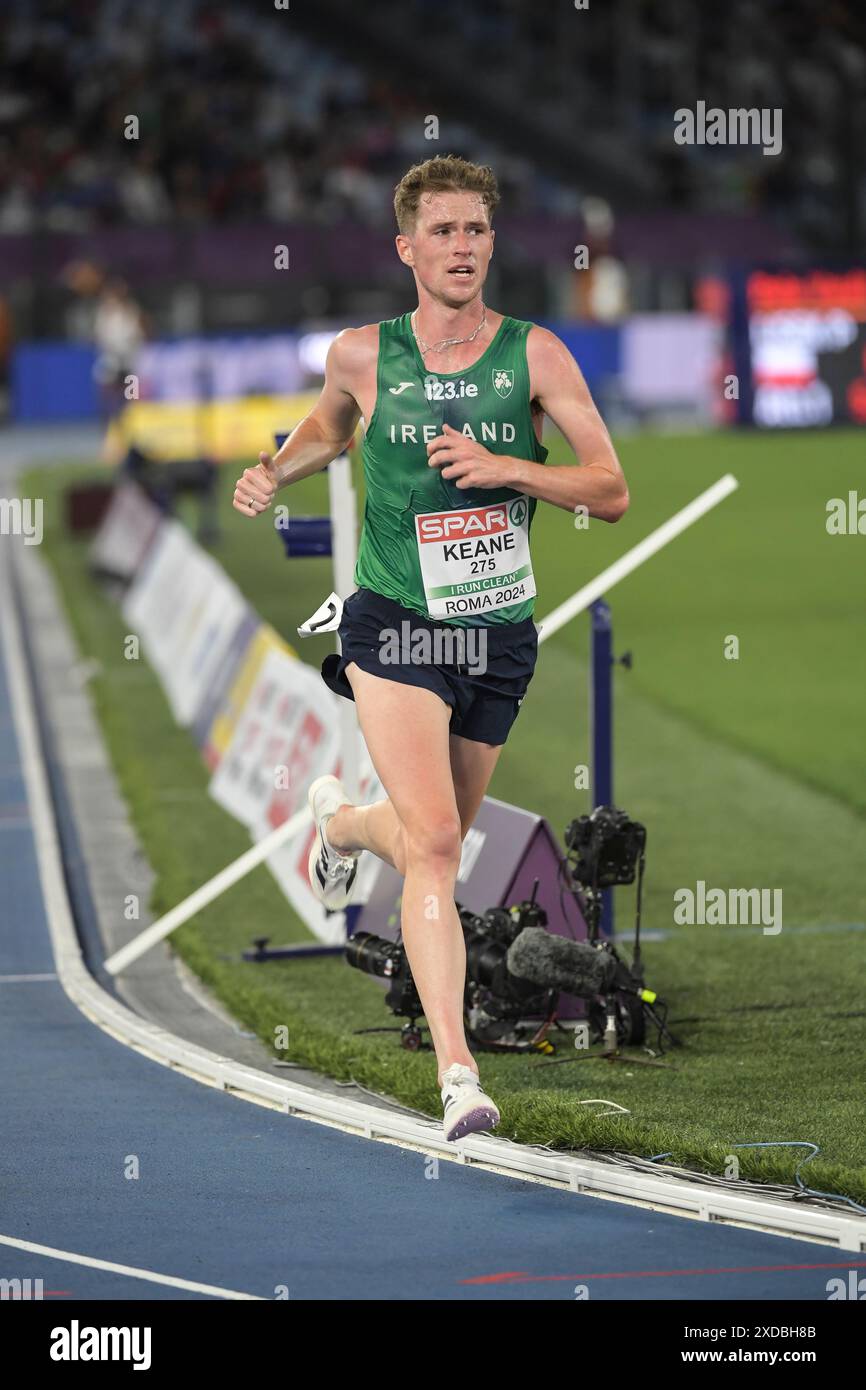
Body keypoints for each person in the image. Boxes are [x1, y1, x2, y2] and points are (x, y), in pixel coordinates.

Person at [233, 155, 628, 1142]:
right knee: (443, 850)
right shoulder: (363, 354)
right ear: (405, 247)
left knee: (419, 837)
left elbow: (608, 489)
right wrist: (276, 471)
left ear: (492, 242)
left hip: (496, 632)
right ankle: (458, 1077)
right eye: (442, 232)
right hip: (394, 622)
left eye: (476, 230)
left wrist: (505, 467)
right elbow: (328, 431)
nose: (461, 248)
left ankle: (336, 825)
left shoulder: (535, 356)